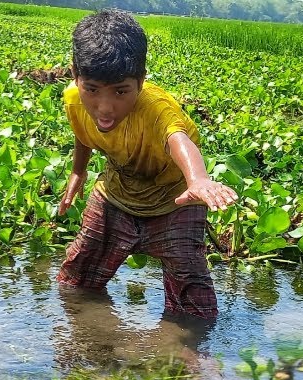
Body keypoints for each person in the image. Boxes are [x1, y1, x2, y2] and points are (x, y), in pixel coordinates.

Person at [56, 9, 237, 322]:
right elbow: (82, 131)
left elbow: (178, 140)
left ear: (140, 81)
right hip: (116, 196)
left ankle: (188, 358)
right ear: (76, 75)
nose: (105, 106)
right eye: (93, 89)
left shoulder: (156, 108)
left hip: (176, 200)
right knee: (76, 280)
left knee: (193, 304)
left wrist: (198, 181)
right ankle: (84, 340)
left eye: (121, 91)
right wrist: (78, 171)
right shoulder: (74, 98)